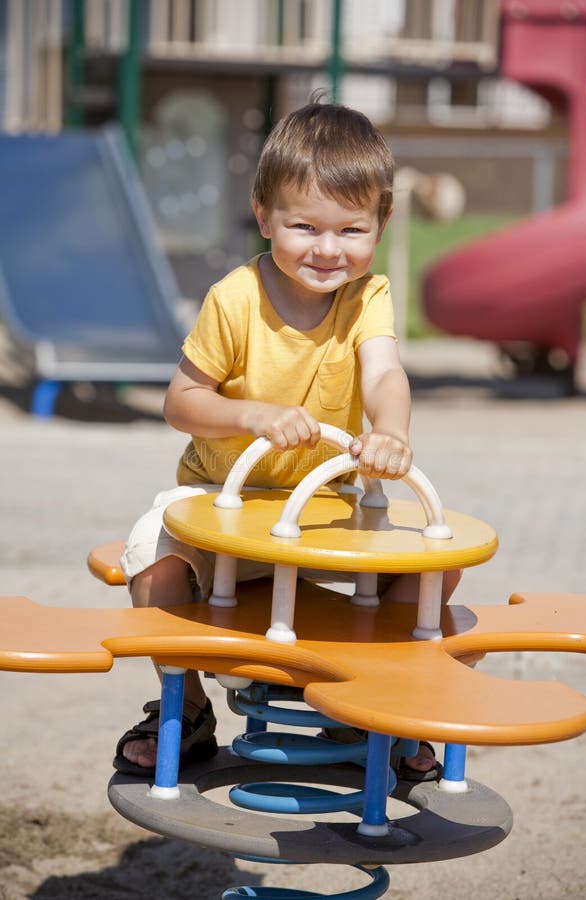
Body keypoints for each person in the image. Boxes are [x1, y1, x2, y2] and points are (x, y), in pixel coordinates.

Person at [114, 99, 461, 781]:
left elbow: (386, 372)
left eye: (351, 229)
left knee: (435, 572)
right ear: (263, 212)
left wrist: (390, 433)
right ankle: (184, 707)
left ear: (381, 222)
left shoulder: (368, 296)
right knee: (152, 556)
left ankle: (388, 706)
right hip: (222, 503)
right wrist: (252, 415)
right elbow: (180, 402)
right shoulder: (235, 298)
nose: (328, 249)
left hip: (324, 507)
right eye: (304, 226)